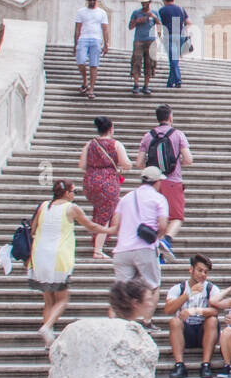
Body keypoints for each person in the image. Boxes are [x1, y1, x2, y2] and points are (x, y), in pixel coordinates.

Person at [26, 180, 107, 347]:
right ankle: (47, 327)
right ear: (67, 193)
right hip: (58, 257)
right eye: (74, 191)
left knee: (48, 300)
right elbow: (90, 225)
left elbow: (32, 229)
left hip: (39, 256)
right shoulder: (71, 208)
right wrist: (109, 230)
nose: (74, 195)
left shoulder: (43, 206)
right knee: (62, 299)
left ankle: (49, 339)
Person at [108, 166, 170, 326]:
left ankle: (116, 323)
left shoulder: (126, 197)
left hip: (122, 249)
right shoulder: (159, 199)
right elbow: (162, 225)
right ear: (157, 183)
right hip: (145, 248)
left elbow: (115, 223)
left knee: (122, 290)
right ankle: (146, 321)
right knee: (152, 287)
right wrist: (156, 236)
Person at [137, 104, 192, 253]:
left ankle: (154, 245)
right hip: (173, 181)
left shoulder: (148, 136)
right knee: (176, 217)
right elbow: (189, 159)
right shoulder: (177, 134)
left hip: (153, 183)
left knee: (155, 217)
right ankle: (166, 240)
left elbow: (139, 163)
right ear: (170, 117)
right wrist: (177, 162)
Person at [78, 116, 129, 259]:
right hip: (108, 183)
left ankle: (98, 241)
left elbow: (82, 165)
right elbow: (127, 163)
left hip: (90, 182)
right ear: (111, 128)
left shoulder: (90, 144)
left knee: (100, 211)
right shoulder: (115, 144)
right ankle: (98, 250)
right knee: (105, 215)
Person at [165, 254, 221, 378]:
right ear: (191, 269)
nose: (203, 275)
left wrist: (195, 311)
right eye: (200, 270)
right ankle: (179, 365)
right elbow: (168, 309)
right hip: (186, 331)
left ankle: (206, 364)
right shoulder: (178, 288)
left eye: (206, 272)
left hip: (204, 331)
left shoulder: (211, 288)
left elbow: (215, 311)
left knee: (212, 320)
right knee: (174, 321)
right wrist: (187, 294)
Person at [73, 0, 109, 99]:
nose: (92, 2)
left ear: (96, 0)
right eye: (90, 0)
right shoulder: (81, 12)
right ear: (87, 0)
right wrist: (75, 43)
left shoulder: (102, 13)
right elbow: (77, 29)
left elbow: (105, 29)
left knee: (94, 65)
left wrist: (106, 44)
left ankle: (91, 89)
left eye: (94, 0)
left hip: (96, 39)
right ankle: (85, 80)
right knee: (81, 61)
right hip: (83, 38)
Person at [128, 0, 159, 95]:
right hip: (139, 39)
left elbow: (159, 26)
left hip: (150, 39)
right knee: (136, 61)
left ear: (150, 2)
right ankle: (136, 84)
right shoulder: (136, 13)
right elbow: (130, 27)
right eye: (142, 2)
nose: (144, 4)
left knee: (149, 63)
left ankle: (146, 85)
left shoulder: (154, 12)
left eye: (146, 2)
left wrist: (154, 17)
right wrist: (137, 21)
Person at [158, 0, 189, 89]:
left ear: (164, 0)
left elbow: (159, 25)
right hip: (179, 36)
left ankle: (178, 80)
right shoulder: (180, 9)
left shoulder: (162, 10)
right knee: (174, 60)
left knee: (173, 60)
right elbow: (188, 22)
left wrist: (160, 37)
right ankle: (170, 83)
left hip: (169, 36)